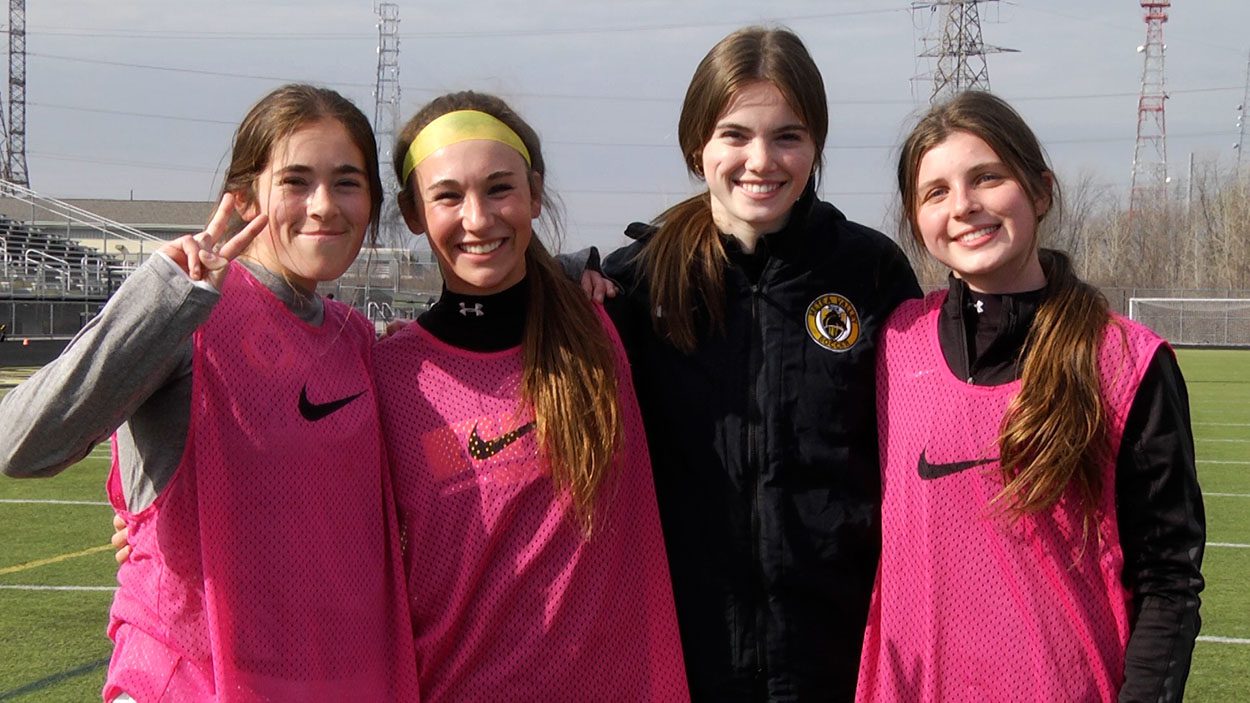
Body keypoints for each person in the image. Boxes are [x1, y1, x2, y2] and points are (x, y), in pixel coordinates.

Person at [0, 84, 417, 702]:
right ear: (246, 197)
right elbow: (21, 446)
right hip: (189, 682)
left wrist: (579, 277)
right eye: (296, 181)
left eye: (347, 182)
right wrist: (164, 293)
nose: (324, 205)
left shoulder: (358, 340)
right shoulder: (187, 309)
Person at [600, 27, 921, 701]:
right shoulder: (636, 284)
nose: (761, 160)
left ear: (816, 147)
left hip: (834, 662)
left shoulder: (870, 271)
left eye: (788, 136)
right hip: (683, 659)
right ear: (698, 145)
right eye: (735, 134)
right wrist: (563, 279)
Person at [855, 91, 1205, 702]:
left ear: (1039, 192)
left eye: (986, 178)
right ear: (917, 222)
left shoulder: (1124, 361)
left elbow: (1169, 580)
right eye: (936, 192)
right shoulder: (892, 342)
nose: (963, 206)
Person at [374, 91, 689, 701]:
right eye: (447, 195)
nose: (477, 217)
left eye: (499, 188)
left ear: (535, 194)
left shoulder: (610, 326)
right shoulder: (387, 375)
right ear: (414, 213)